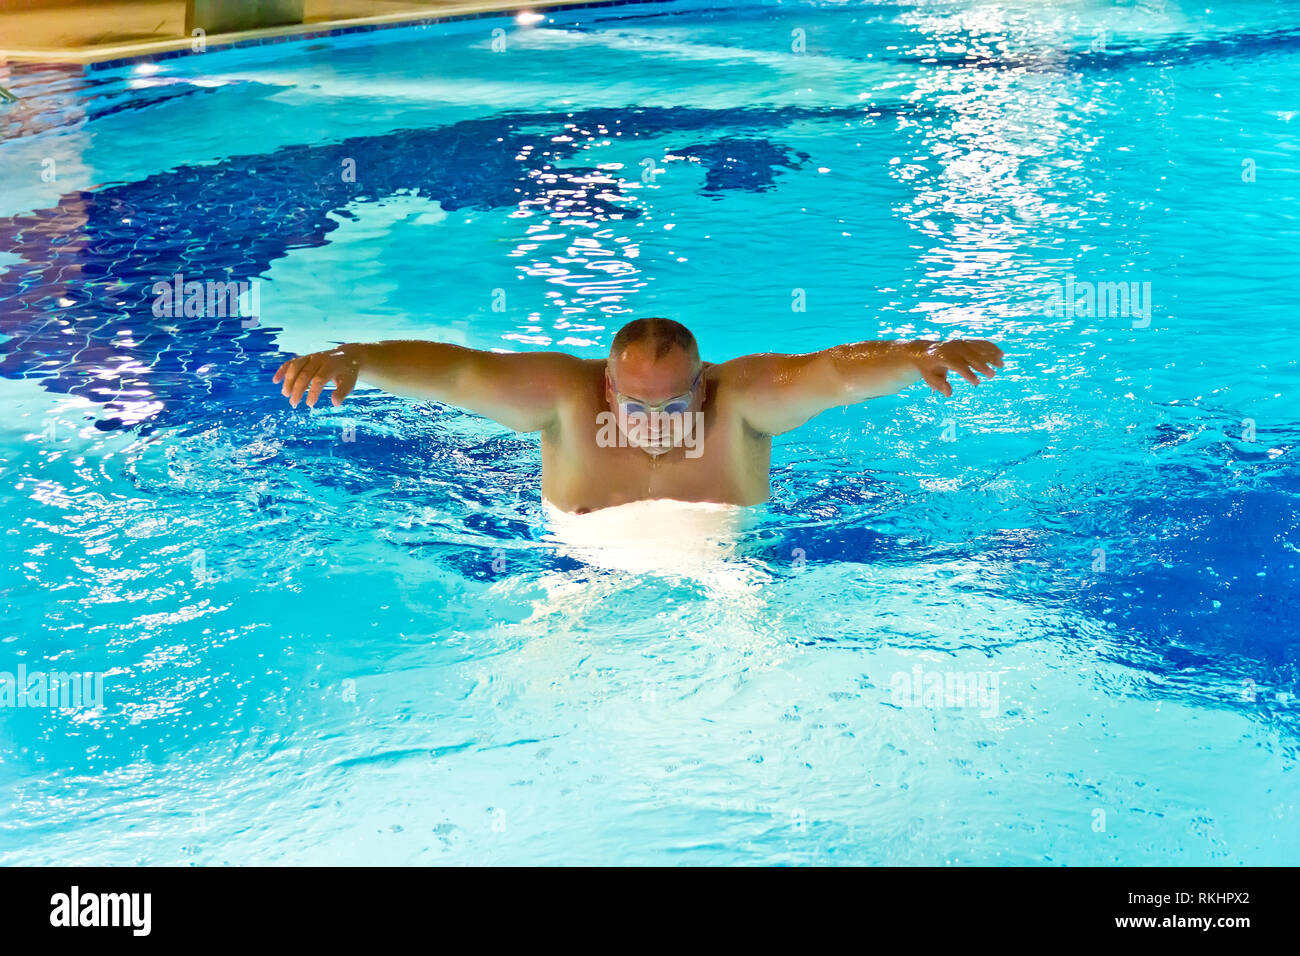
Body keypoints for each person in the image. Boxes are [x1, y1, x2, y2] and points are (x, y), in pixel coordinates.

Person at [272, 318, 1003, 514]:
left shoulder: (742, 398)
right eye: (634, 404)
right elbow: (462, 371)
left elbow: (828, 373)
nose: (655, 418)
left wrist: (917, 355)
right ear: (606, 385)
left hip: (727, 567)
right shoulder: (563, 392)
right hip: (571, 567)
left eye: (676, 402)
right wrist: (357, 359)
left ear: (704, 381)